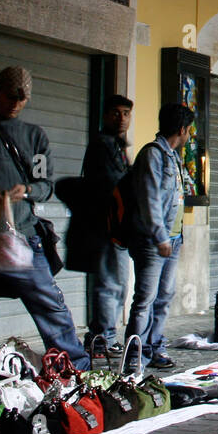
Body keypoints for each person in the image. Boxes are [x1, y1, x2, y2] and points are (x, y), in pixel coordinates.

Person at [0, 66, 90, 369]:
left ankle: (77, 369)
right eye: (11, 96)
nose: (16, 103)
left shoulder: (35, 137)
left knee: (52, 307)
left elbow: (46, 186)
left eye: (22, 99)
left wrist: (28, 190)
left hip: (23, 237)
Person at [124, 102, 194, 369]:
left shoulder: (173, 157)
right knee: (145, 300)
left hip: (172, 239)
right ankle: (134, 358)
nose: (189, 136)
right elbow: (149, 200)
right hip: (154, 241)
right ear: (182, 129)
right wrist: (160, 236)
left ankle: (154, 348)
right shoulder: (152, 155)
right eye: (189, 131)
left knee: (164, 297)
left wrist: (174, 238)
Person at [79, 95, 134, 352]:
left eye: (126, 113)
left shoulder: (117, 145)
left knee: (115, 282)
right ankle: (103, 338)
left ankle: (101, 336)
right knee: (110, 282)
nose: (121, 118)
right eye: (115, 113)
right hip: (106, 225)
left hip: (115, 225)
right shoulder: (103, 145)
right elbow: (112, 185)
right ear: (104, 116)